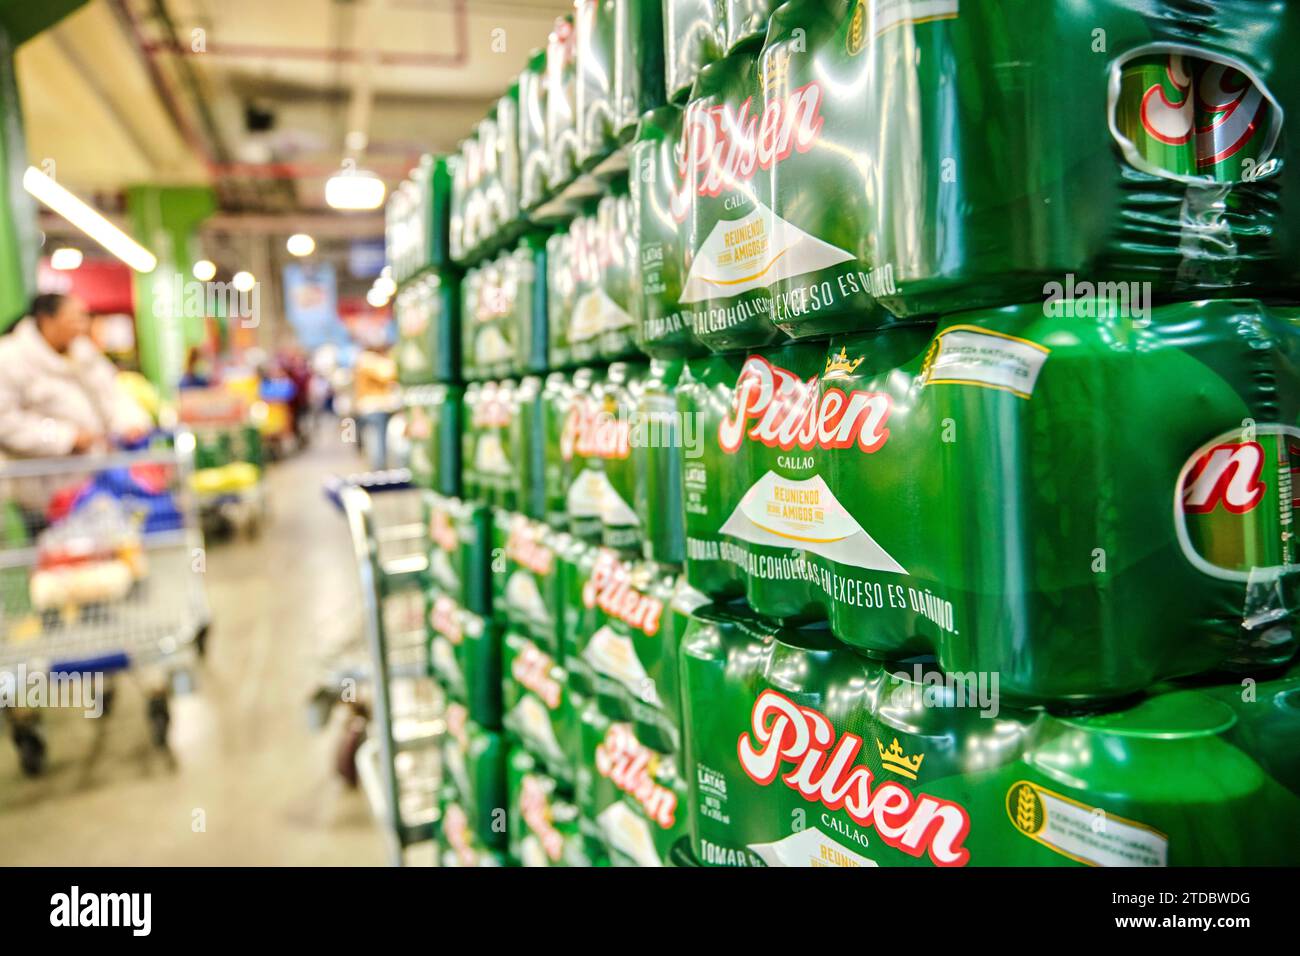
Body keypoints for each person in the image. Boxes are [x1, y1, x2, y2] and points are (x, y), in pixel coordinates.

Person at [0, 293, 151, 459]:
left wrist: (131, 423)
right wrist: (65, 437)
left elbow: (114, 395)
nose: (82, 326)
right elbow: (6, 422)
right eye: (73, 319)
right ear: (47, 320)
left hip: (94, 472)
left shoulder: (85, 353)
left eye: (83, 318)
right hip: (38, 477)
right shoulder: (10, 358)